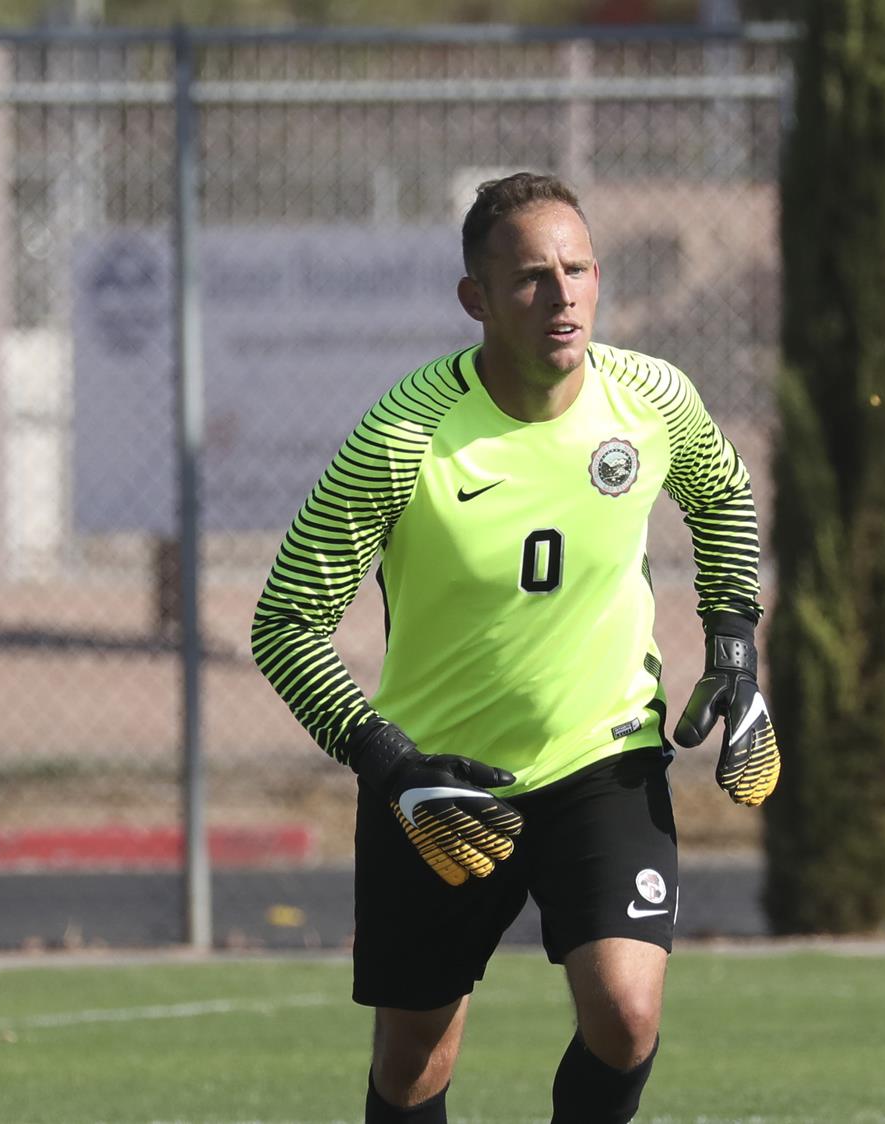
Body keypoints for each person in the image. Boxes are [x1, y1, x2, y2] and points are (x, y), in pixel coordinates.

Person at [250, 171, 779, 1124]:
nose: (562, 294)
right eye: (532, 276)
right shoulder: (400, 437)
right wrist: (391, 764)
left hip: (604, 758)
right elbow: (284, 622)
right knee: (415, 1058)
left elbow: (724, 494)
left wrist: (733, 647)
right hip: (440, 791)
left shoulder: (651, 398)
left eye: (578, 270)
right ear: (477, 299)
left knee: (626, 1012)